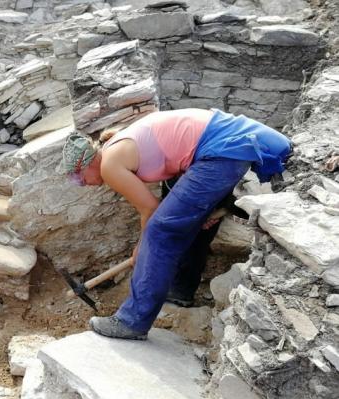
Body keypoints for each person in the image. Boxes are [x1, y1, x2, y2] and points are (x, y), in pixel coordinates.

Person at [61, 108, 292, 340]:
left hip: (224, 148)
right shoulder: (119, 147)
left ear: (86, 163)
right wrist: (202, 212)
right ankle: (176, 292)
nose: (83, 184)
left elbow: (150, 210)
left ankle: (132, 322)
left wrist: (142, 247)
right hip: (227, 145)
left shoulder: (109, 163)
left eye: (78, 178)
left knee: (160, 231)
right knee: (172, 222)